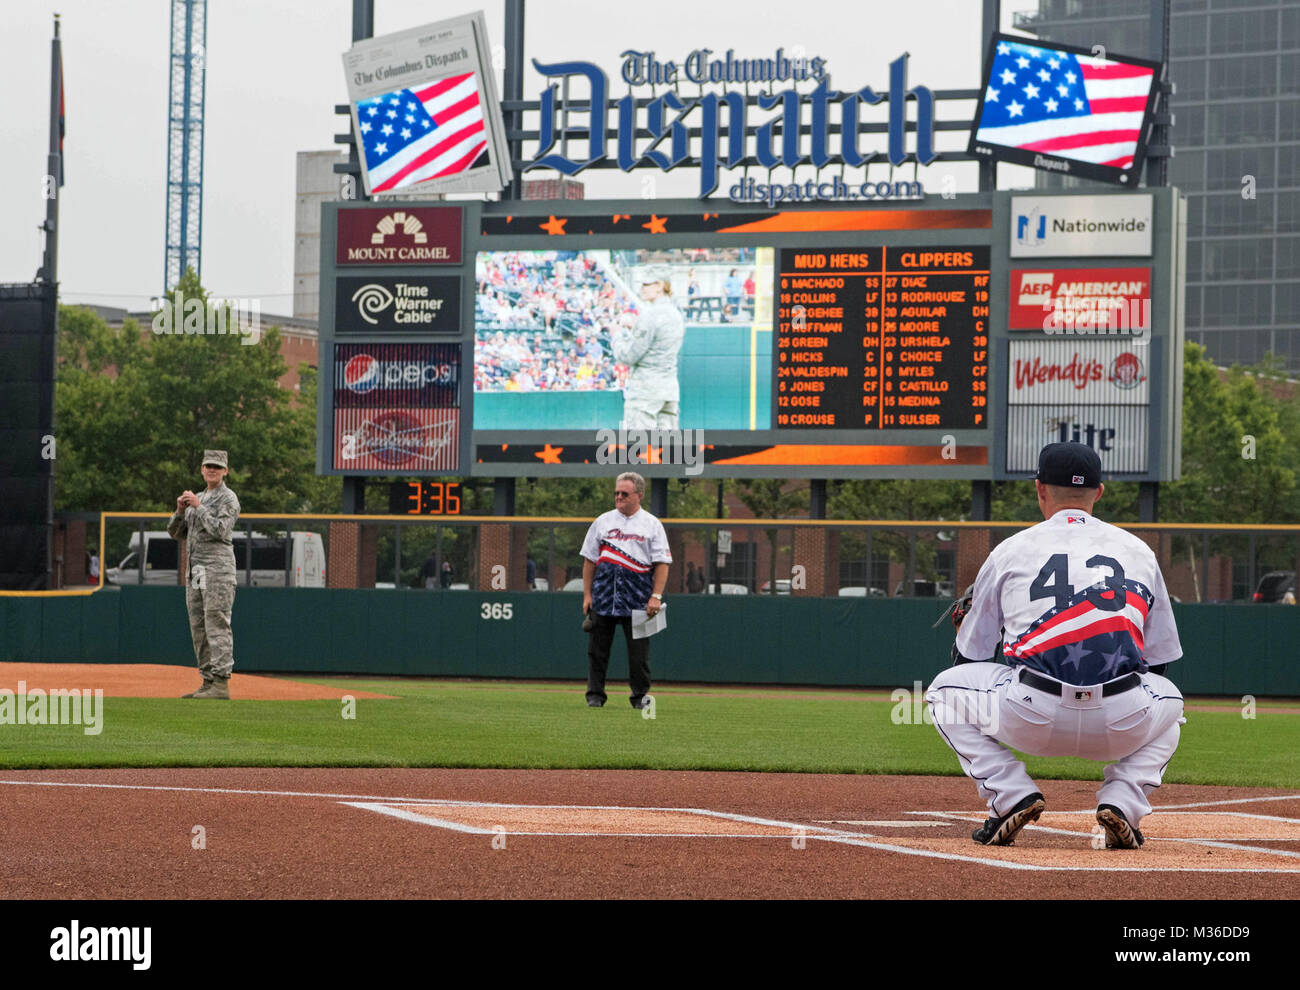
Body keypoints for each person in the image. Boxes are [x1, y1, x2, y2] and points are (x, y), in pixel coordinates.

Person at [925, 442, 1184, 849]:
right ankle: (1123, 800)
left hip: (1030, 716)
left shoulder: (1010, 550)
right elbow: (1161, 662)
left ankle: (1010, 794)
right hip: (1119, 721)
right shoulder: (1139, 552)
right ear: (1099, 492)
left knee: (942, 690)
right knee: (1172, 704)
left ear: (1039, 489)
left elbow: (969, 658)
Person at [580, 472, 671, 709]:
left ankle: (640, 697)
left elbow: (662, 564)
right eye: (617, 493)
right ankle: (595, 695)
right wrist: (587, 595)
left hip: (639, 599)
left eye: (624, 494)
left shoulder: (652, 524)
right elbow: (589, 560)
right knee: (597, 652)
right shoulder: (603, 521)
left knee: (639, 656)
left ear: (639, 495)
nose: (619, 497)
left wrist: (656, 596)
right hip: (604, 597)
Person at [168, 449, 241, 699]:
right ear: (201, 469)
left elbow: (220, 530)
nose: (212, 470)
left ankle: (221, 682)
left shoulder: (228, 498)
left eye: (217, 467)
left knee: (216, 622)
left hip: (218, 571)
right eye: (208, 466)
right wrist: (180, 510)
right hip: (196, 571)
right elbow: (175, 533)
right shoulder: (197, 497)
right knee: (198, 625)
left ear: (225, 471)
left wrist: (198, 507)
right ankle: (208, 680)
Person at [610, 266, 685, 430]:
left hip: (646, 393)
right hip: (669, 391)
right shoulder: (676, 314)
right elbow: (656, 346)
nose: (641, 289)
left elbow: (628, 356)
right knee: (668, 452)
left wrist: (616, 336)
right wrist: (633, 329)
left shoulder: (651, 315)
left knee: (639, 450)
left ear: (659, 286)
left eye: (646, 284)